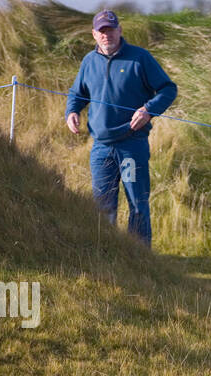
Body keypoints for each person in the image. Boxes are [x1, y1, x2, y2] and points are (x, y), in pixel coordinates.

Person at [65, 10, 177, 248]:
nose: (107, 35)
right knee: (102, 206)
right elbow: (77, 93)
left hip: (131, 145)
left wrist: (148, 110)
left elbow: (168, 89)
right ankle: (107, 256)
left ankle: (140, 260)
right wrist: (72, 111)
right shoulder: (88, 61)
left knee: (137, 203)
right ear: (94, 34)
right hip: (101, 148)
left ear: (120, 30)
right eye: (102, 31)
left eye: (111, 29)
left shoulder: (140, 58)